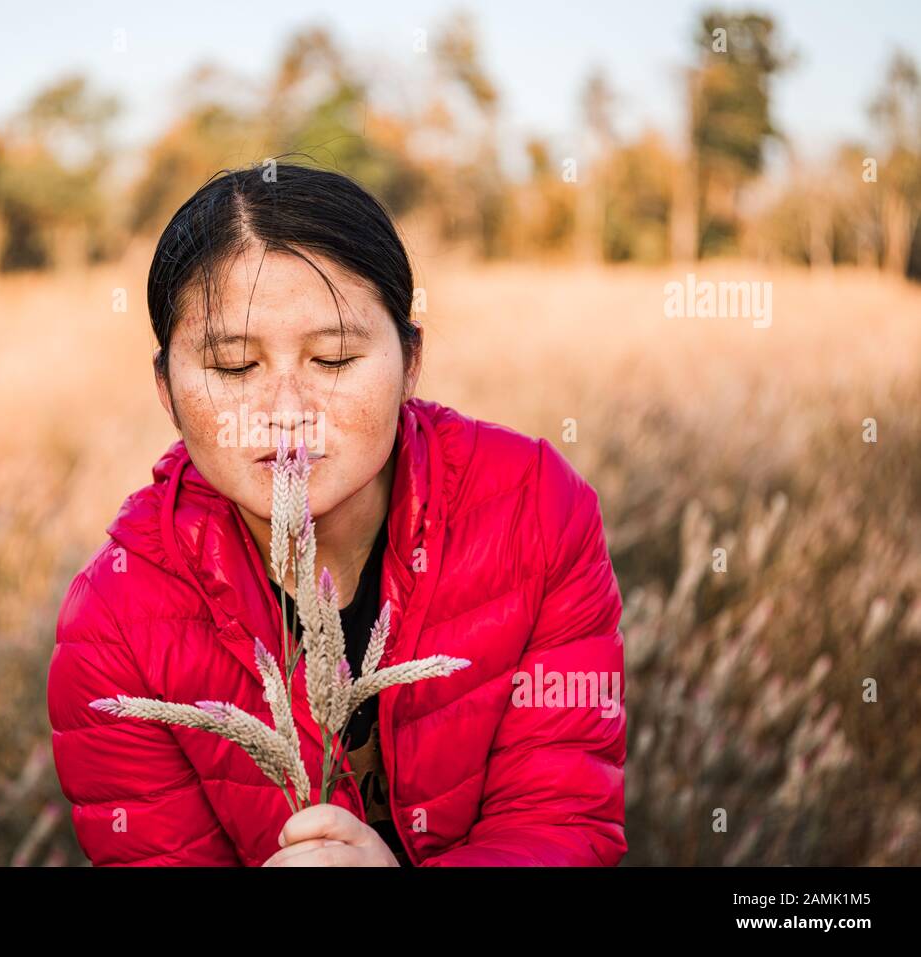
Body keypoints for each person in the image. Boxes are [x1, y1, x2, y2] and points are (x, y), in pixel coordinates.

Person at [46, 162, 627, 866]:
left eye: (334, 357)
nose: (287, 414)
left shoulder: (535, 508)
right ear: (166, 389)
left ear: (411, 361)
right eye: (234, 368)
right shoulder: (114, 619)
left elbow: (562, 825)